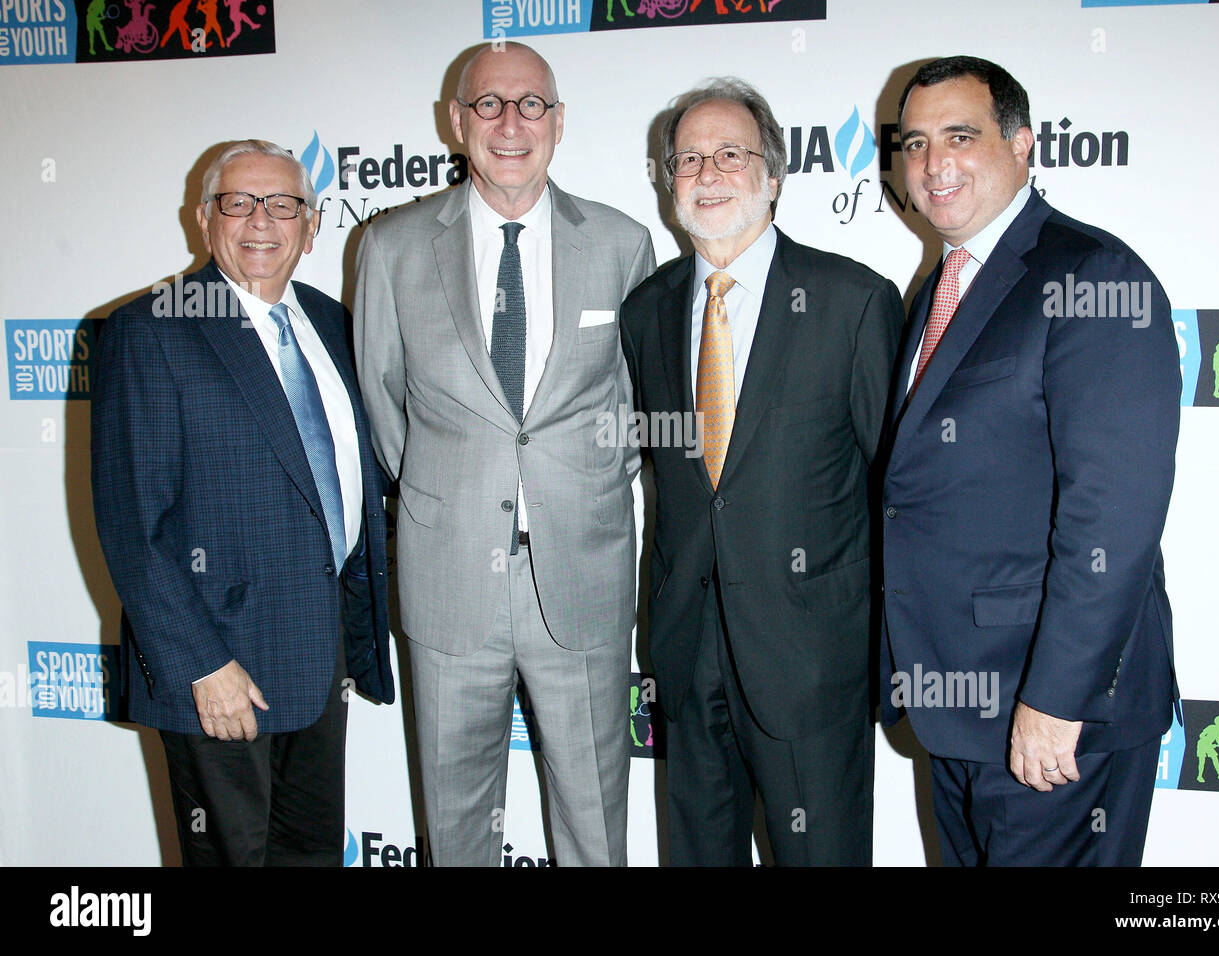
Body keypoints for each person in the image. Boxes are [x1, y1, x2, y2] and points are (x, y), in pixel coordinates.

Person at [354, 42, 655, 867]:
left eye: (532, 105)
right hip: (448, 578)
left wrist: (575, 494)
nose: (510, 123)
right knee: (456, 832)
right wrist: (453, 491)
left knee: (595, 827)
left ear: (559, 122)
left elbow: (631, 412)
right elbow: (384, 405)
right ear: (456, 121)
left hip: (582, 582)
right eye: (489, 104)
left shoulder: (623, 245)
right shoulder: (392, 247)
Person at [879, 56, 1180, 866]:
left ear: (1022, 144)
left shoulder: (1092, 274)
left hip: (1051, 718)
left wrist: (1055, 699)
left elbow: (1113, 517)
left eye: (960, 136)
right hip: (956, 705)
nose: (934, 163)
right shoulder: (937, 290)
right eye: (914, 142)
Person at [619, 78, 904, 865]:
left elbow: (896, 495)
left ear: (773, 176)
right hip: (686, 653)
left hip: (811, 662)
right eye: (688, 159)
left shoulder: (852, 302)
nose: (707, 174)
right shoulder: (647, 310)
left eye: (731, 155)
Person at [91, 140, 394, 866]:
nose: (262, 220)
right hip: (220, 672)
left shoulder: (331, 323)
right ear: (204, 218)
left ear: (312, 225)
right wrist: (202, 666)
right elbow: (136, 528)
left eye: (283, 204)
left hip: (317, 662)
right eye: (239, 202)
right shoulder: (151, 329)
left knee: (310, 857)